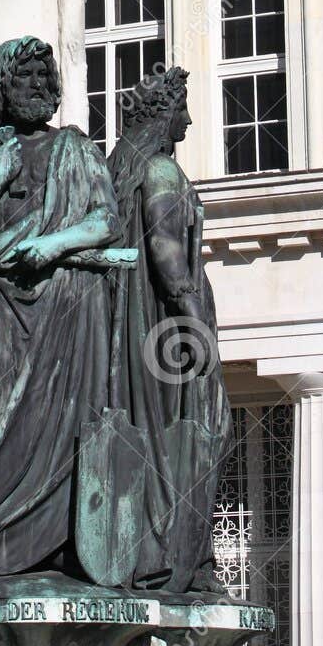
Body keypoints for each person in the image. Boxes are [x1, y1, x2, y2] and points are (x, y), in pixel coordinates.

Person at [0, 37, 119, 589]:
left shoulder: (77, 150)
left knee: (62, 420)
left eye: (45, 76)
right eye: (25, 77)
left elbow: (106, 220)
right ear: (1, 87)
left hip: (64, 301)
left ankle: (62, 549)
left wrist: (55, 244)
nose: (38, 86)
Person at [108, 66, 231, 593]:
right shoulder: (159, 170)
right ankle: (176, 560)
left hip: (138, 326)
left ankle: (158, 554)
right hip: (168, 329)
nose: (188, 119)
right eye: (181, 109)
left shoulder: (118, 169)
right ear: (163, 113)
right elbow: (164, 246)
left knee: (162, 435)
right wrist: (192, 312)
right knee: (201, 431)